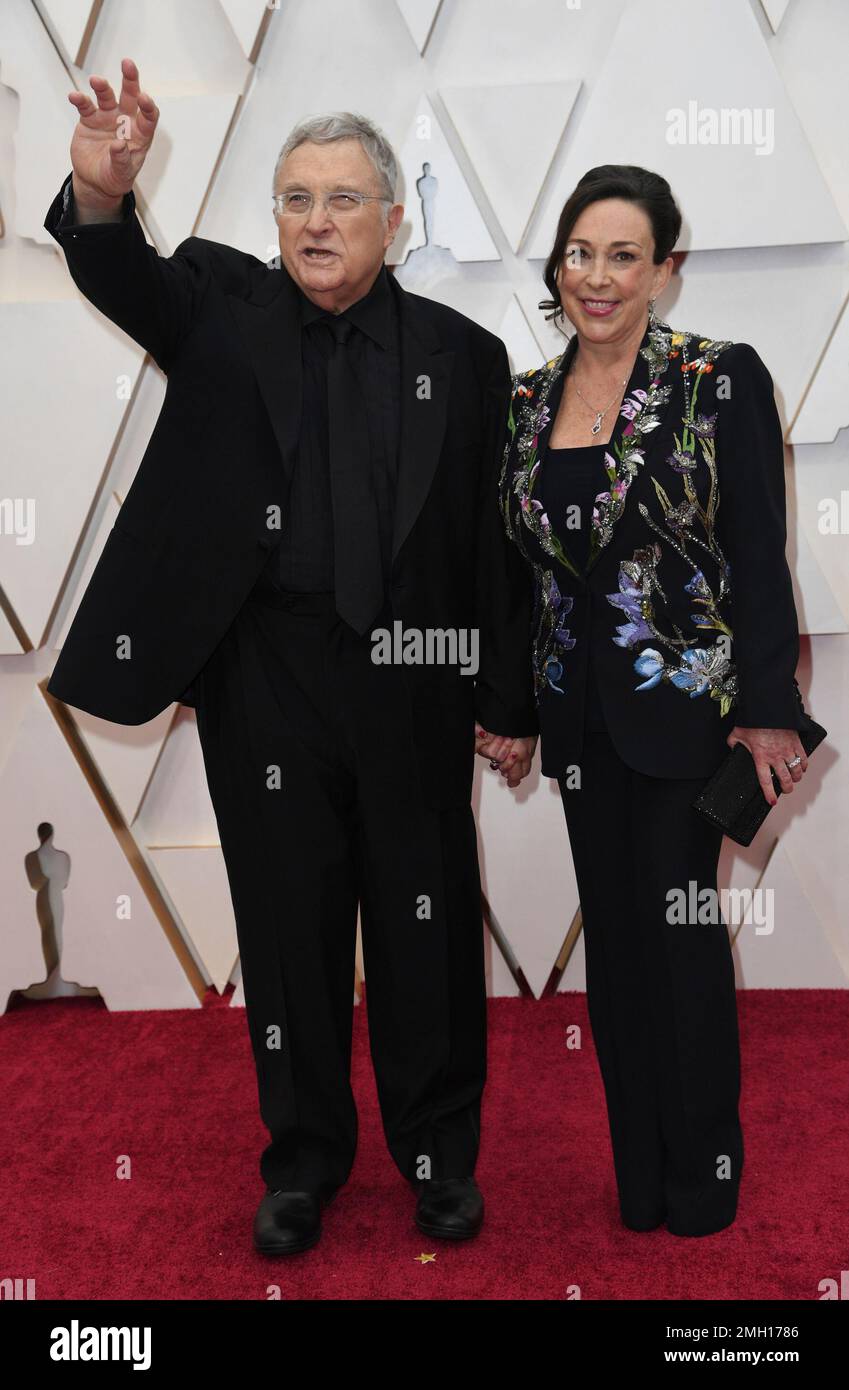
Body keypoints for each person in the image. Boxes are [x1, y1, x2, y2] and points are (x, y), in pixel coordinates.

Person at [43, 58, 537, 1254]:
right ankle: (303, 1159)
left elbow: (492, 542)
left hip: (413, 674)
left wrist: (506, 695)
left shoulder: (466, 356)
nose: (317, 222)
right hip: (264, 673)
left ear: (393, 218)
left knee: (424, 928)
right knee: (286, 924)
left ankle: (436, 1160)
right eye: (296, 199)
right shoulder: (219, 304)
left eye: (343, 199)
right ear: (274, 220)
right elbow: (117, 270)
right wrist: (101, 194)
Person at [491, 164, 809, 1236]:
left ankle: (704, 1176)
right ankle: (641, 1176)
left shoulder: (720, 378)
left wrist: (767, 706)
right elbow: (518, 569)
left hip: (688, 715)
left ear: (666, 270)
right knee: (617, 952)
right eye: (581, 252)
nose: (597, 275)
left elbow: (759, 556)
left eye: (624, 255)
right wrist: (514, 709)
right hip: (579, 720)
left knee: (677, 936)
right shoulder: (528, 400)